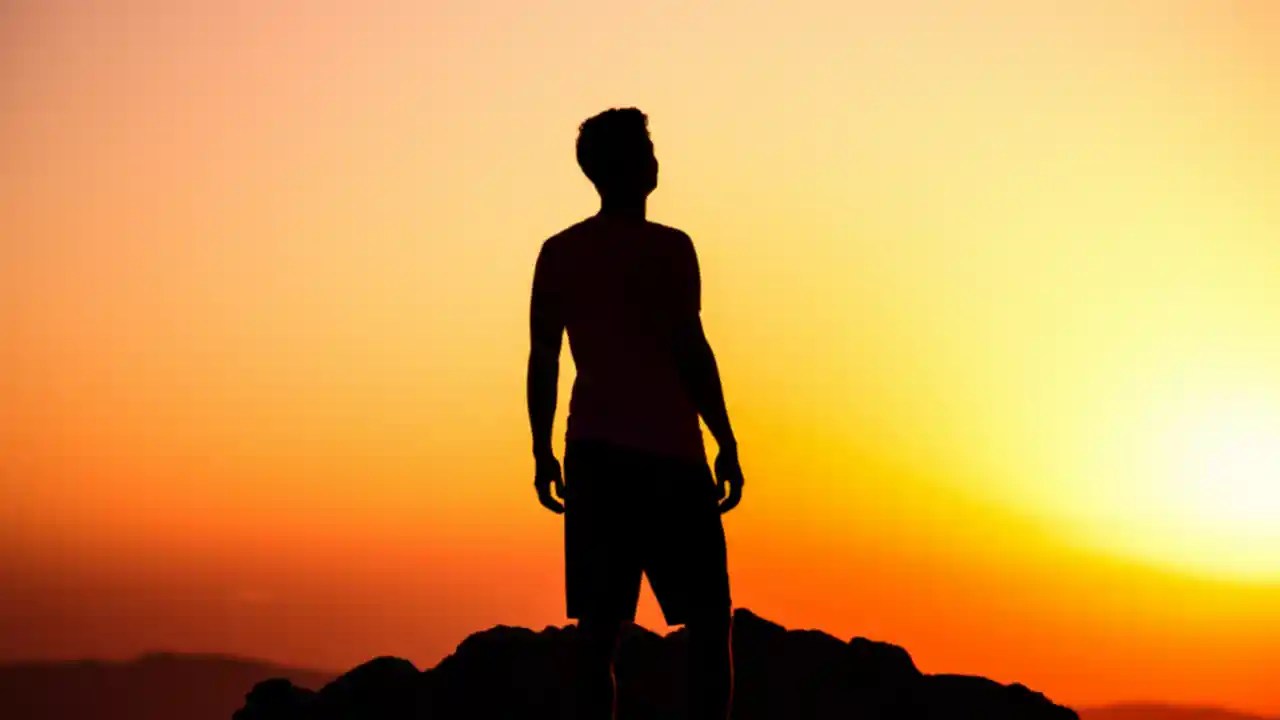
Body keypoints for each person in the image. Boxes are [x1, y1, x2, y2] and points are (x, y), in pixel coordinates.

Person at [526, 107, 743, 720]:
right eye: (647, 148)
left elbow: (545, 359)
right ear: (634, 166)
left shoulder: (560, 252)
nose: (655, 158)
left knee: (598, 633)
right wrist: (725, 438)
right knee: (707, 629)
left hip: (595, 456)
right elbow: (691, 349)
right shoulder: (671, 250)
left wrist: (542, 449)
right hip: (671, 459)